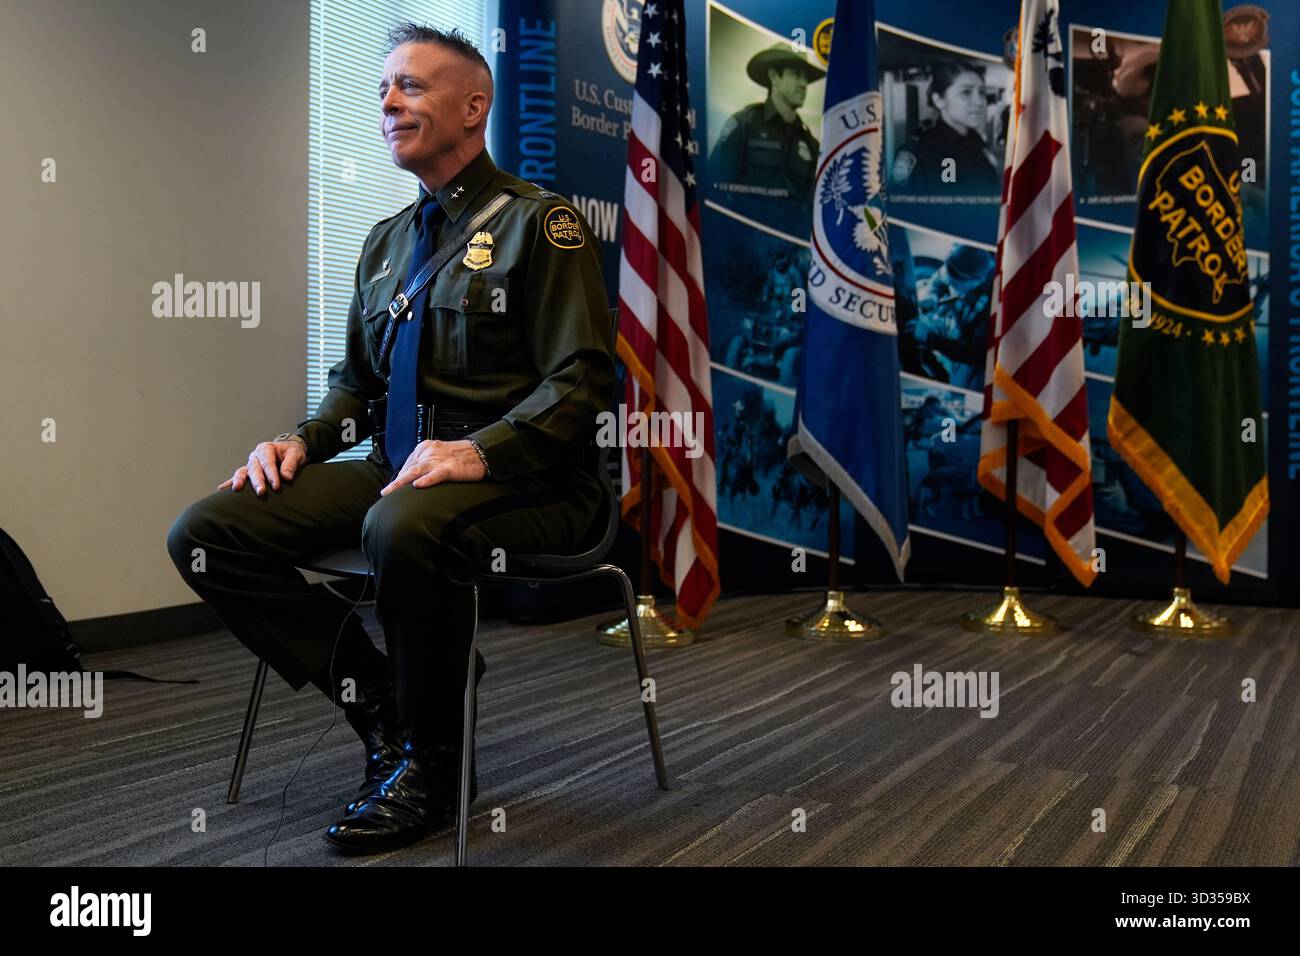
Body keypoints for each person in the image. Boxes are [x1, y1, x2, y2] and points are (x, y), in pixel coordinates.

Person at [166, 23, 614, 854]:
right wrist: (301, 438)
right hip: (399, 469)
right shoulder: (384, 244)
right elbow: (358, 385)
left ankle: (434, 767)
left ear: (474, 105)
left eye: (410, 85)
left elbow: (583, 380)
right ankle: (382, 703)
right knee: (206, 533)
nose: (388, 102)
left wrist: (482, 451)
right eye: (380, 90)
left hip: (533, 481)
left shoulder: (539, 226)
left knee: (397, 525)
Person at [711, 43, 825, 210]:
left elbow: (813, 205)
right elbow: (714, 185)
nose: (803, 84)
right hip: (745, 232)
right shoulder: (744, 126)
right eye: (795, 74)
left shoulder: (811, 144)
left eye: (806, 77)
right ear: (774, 77)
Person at [890, 61, 1000, 196]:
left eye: (982, 92)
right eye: (966, 92)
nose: (979, 101)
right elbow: (901, 207)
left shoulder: (978, 145)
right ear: (939, 100)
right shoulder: (916, 153)